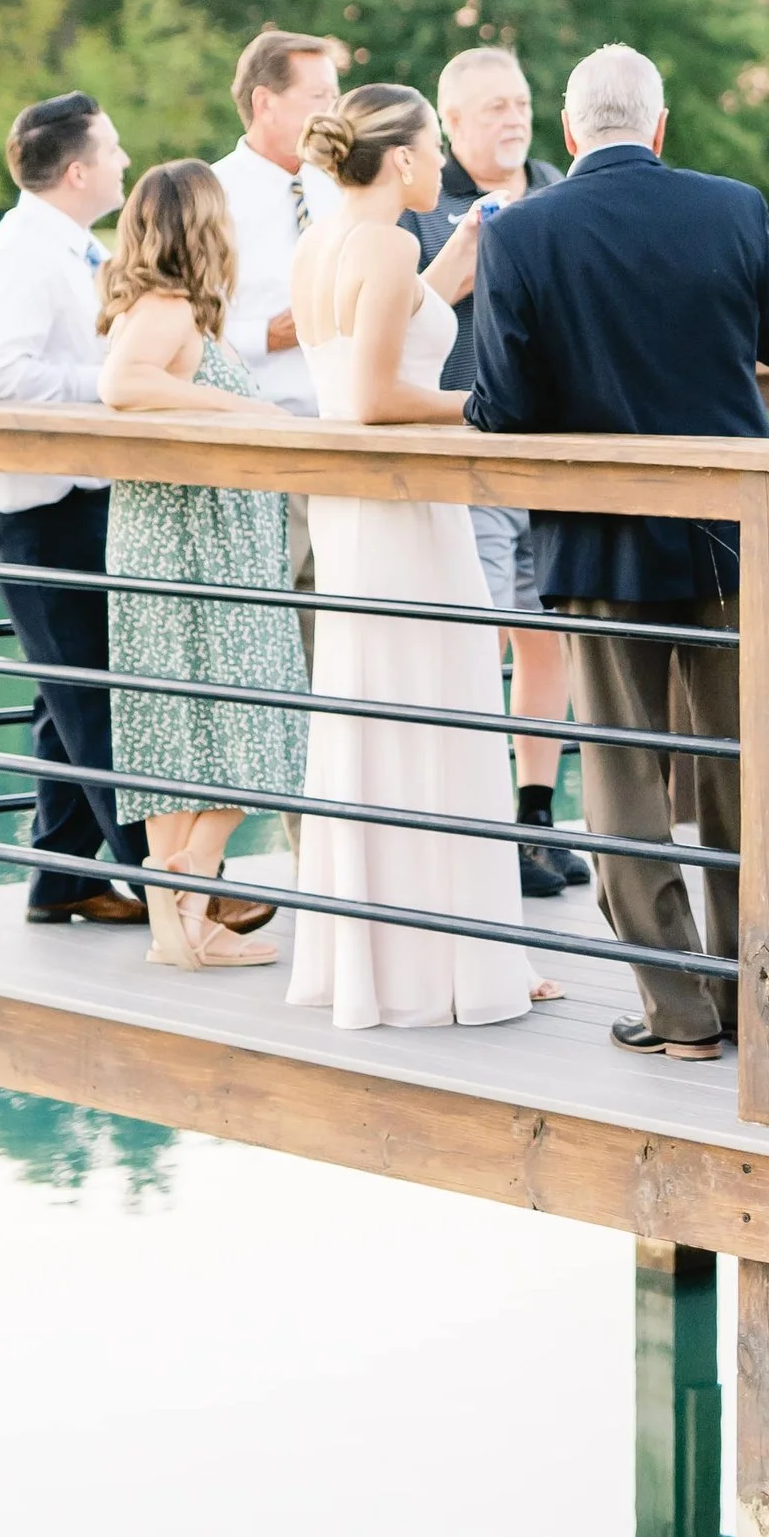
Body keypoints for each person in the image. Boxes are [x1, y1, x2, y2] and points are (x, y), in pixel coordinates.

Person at [467, 42, 769, 1060]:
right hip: (730, 532)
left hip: (599, 539)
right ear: (659, 125)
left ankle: (680, 1013)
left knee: (622, 777)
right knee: (743, 774)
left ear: (571, 134)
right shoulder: (733, 205)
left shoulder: (520, 232)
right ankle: (758, 999)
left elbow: (503, 409)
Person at [287, 84, 547, 1033]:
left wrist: (462, 260)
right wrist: (492, 407)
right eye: (434, 143)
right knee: (440, 703)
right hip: (404, 512)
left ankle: (391, 954)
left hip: (358, 516)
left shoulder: (325, 246)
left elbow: (383, 335)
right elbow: (373, 398)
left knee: (381, 710)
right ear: (400, 158)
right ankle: (449, 961)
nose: (442, 162)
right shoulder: (389, 242)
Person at [96, 162, 308, 969]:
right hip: (193, 547)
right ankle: (184, 896)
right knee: (247, 715)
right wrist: (248, 409)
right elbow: (121, 385)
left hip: (186, 536)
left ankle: (176, 924)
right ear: (201, 228)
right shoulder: (166, 308)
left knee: (179, 728)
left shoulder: (164, 310)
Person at [0, 92, 145, 923]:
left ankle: (61, 876)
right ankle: (175, 883)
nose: (126, 161)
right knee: (91, 699)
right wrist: (104, 390)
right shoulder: (23, 252)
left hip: (79, 498)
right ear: (77, 170)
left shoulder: (69, 245)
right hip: (42, 511)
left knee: (62, 699)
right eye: (112, 150)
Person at [403, 46, 582, 896]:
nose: (514, 119)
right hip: (462, 458)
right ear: (452, 124)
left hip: (550, 461)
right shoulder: (421, 208)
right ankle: (470, 822)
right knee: (476, 641)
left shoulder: (558, 183)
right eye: (493, 108)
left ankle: (535, 819)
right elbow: (403, 322)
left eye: (521, 101)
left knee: (550, 640)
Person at [215, 28, 344, 668]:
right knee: (271, 633)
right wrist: (268, 335)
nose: (335, 110)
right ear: (267, 103)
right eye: (320, 95)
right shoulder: (211, 197)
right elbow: (183, 329)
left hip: (345, 442)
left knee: (343, 626)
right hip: (265, 446)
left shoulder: (339, 189)